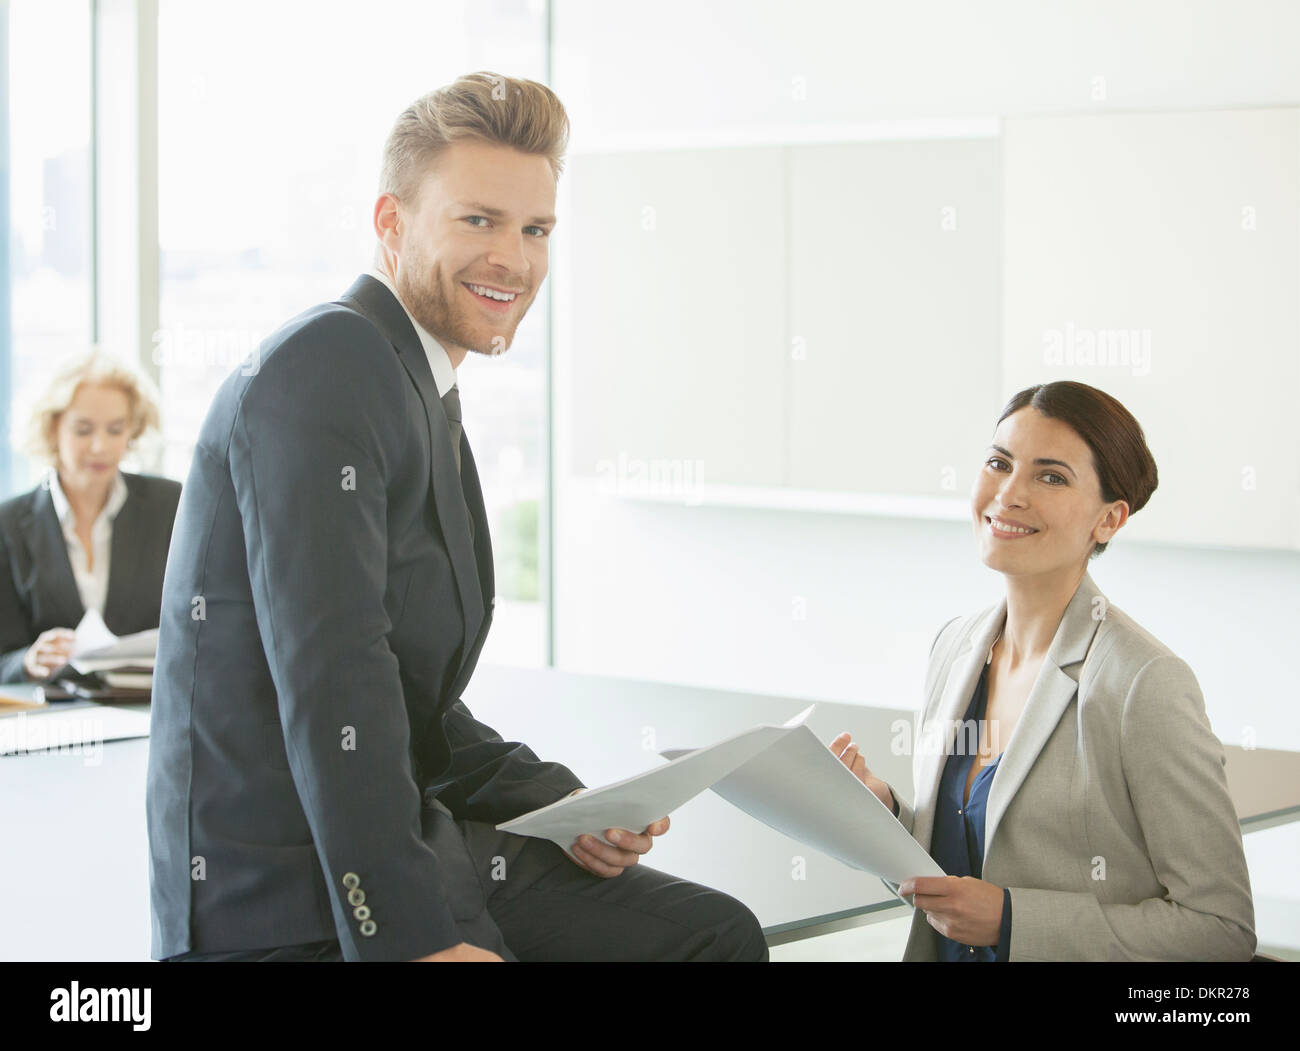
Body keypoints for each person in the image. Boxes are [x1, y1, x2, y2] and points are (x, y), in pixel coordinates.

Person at [146, 72, 766, 962]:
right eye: (478, 220)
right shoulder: (329, 364)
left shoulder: (419, 384)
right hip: (288, 896)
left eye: (535, 230)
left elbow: (411, 708)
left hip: (406, 838)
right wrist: (413, 941)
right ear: (391, 223)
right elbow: (337, 683)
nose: (512, 258)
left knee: (708, 934)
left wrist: (562, 806)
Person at [831, 380, 1255, 961]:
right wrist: (881, 813)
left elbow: (1220, 929)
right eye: (998, 463)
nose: (1009, 493)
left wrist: (1014, 920)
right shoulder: (955, 647)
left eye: (1050, 476)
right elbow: (956, 879)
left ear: (1109, 520)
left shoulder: (1144, 681)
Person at [0, 351, 180, 684]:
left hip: (148, 707)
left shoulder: (170, 505)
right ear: (52, 428)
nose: (100, 447)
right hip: (54, 717)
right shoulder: (8, 524)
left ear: (133, 430)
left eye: (116, 429)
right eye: (83, 430)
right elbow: (3, 657)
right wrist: (28, 660)